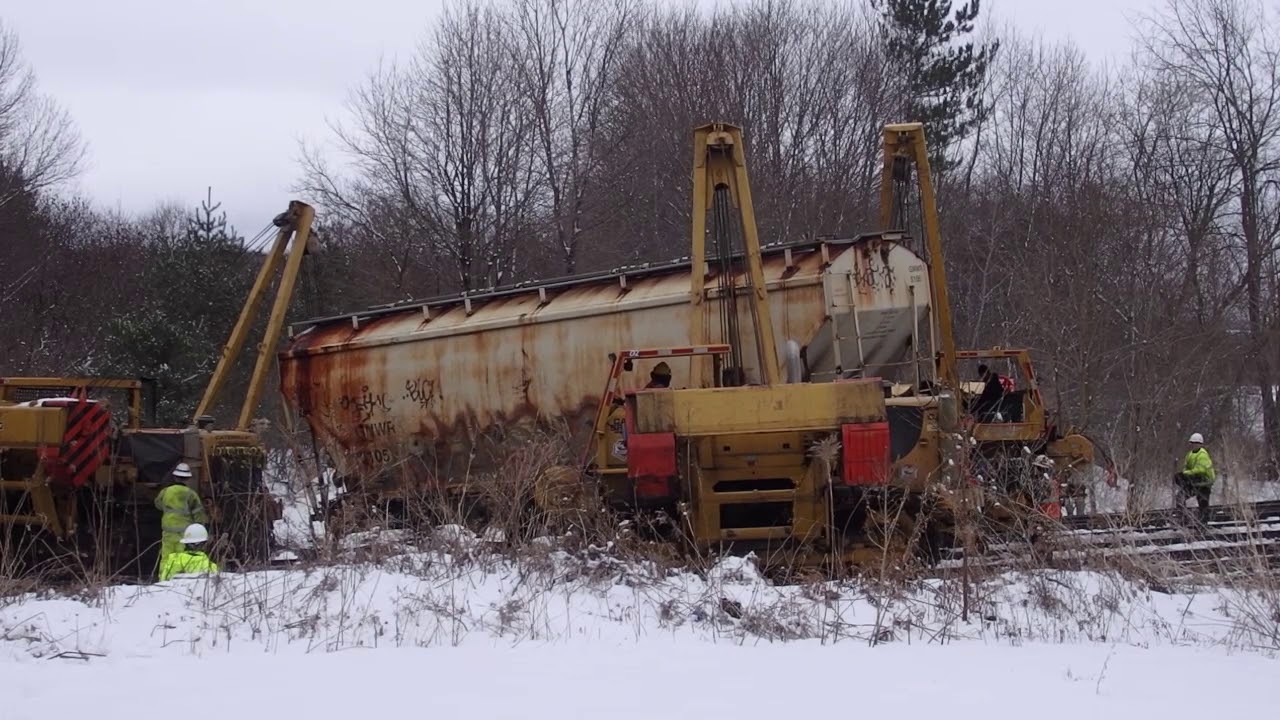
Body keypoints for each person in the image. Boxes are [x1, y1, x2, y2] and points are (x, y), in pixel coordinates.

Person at [154, 462, 208, 565]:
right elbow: (198, 514)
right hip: (185, 532)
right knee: (181, 556)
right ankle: (179, 578)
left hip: (168, 530)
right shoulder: (191, 494)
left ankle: (164, 579)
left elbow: (158, 505)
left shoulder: (165, 491)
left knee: (166, 556)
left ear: (175, 477)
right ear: (187, 478)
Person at [1174, 432, 1215, 526]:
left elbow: (1200, 469)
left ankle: (1203, 524)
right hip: (1196, 482)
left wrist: (1186, 474)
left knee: (1203, 503)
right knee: (1180, 497)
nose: (1193, 445)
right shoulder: (1190, 455)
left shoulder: (1202, 455)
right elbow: (1186, 467)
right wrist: (1183, 475)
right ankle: (1183, 519)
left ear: (1200, 444)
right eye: (1192, 443)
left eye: (1196, 443)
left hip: (1204, 482)